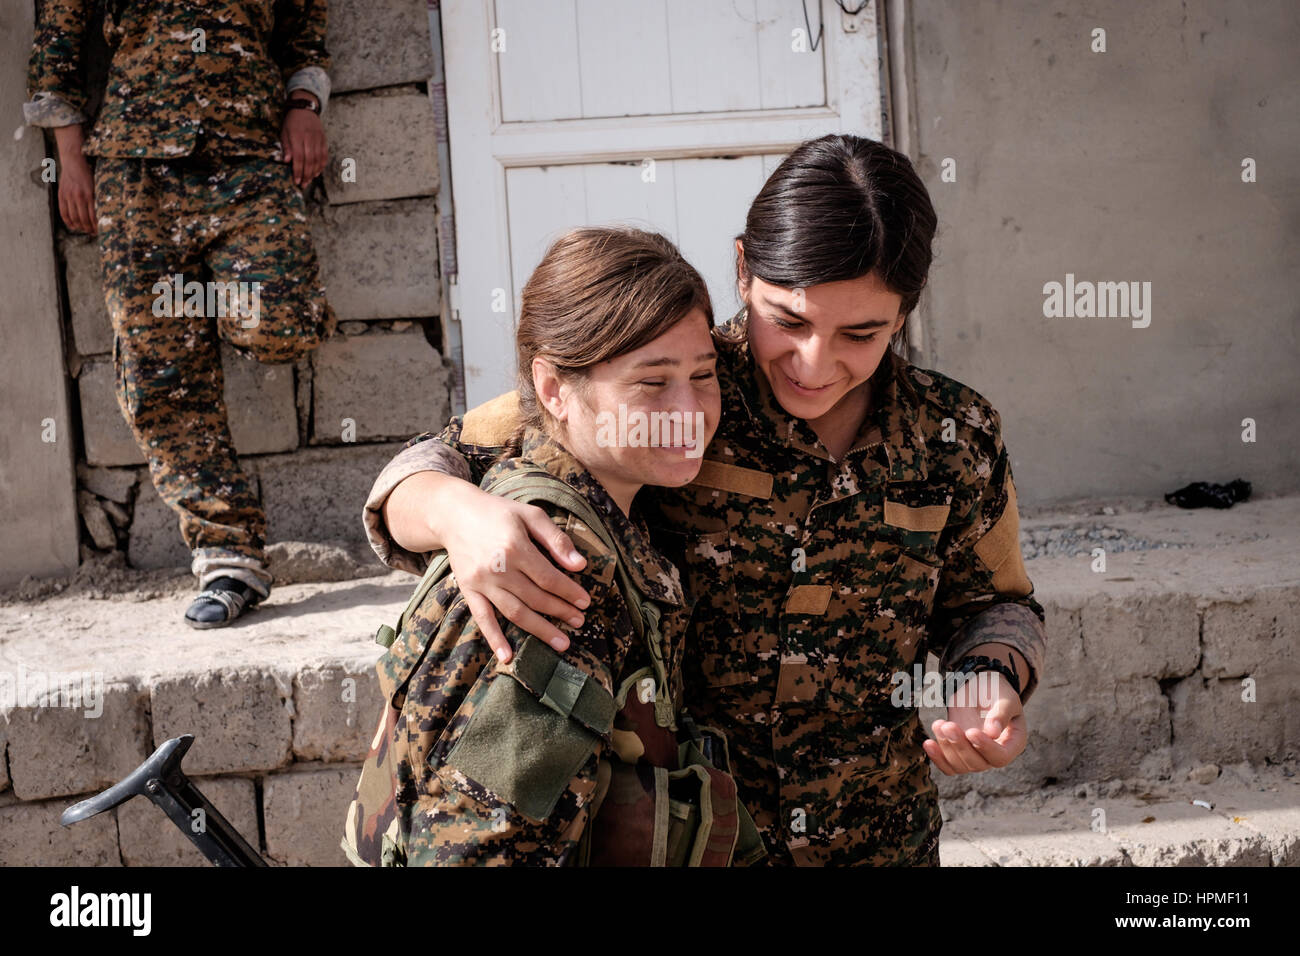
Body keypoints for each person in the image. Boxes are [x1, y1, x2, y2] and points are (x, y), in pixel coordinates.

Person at [364, 134, 1048, 866]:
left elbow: (994, 604)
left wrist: (990, 679)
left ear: (904, 312)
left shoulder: (955, 434)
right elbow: (437, 461)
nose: (815, 363)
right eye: (789, 320)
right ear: (744, 270)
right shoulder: (673, 382)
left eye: (861, 333)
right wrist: (458, 512)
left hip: (884, 844)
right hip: (704, 845)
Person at [344, 227, 764, 866]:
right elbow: (481, 849)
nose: (690, 409)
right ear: (552, 390)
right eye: (652, 384)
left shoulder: (599, 502)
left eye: (703, 375)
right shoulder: (555, 566)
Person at [26, 0, 337, 627]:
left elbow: (304, 22)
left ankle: (194, 310)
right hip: (136, 164)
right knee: (159, 373)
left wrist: (304, 105)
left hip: (250, 153)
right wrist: (70, 154)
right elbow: (61, 33)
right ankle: (229, 557)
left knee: (283, 320)